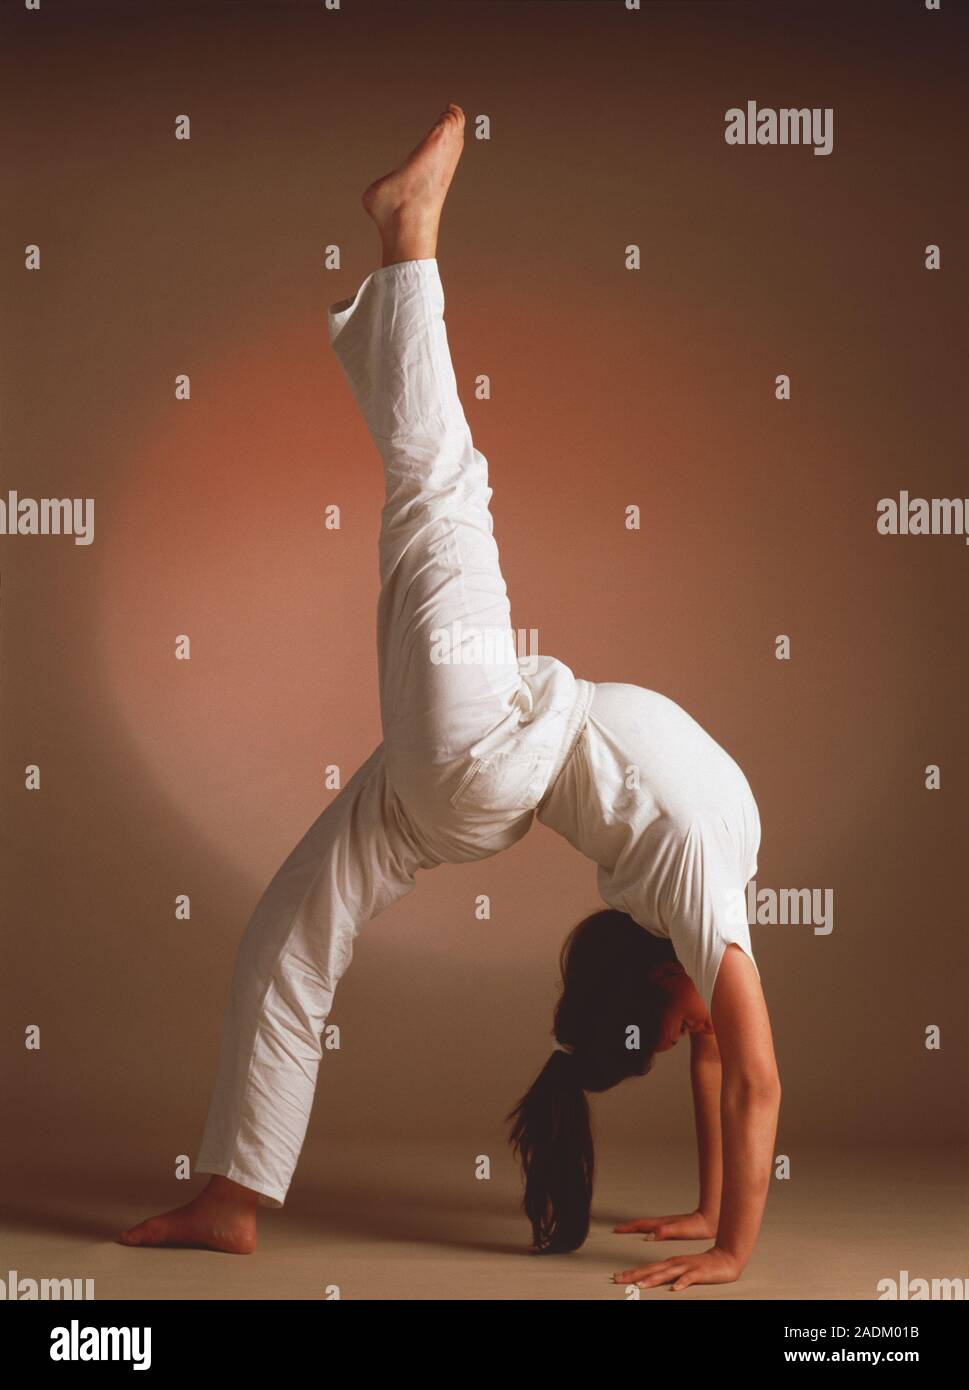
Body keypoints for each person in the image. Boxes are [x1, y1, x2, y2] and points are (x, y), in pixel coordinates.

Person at [119, 105, 781, 1292]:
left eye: (683, 1024)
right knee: (286, 938)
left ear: (655, 973)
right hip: (494, 750)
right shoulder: (703, 886)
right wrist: (706, 1210)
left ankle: (410, 240)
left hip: (488, 754)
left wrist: (738, 1242)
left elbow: (747, 1072)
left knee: (442, 491)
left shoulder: (692, 879)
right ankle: (232, 1195)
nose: (701, 1032)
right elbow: (733, 1069)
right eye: (682, 1028)